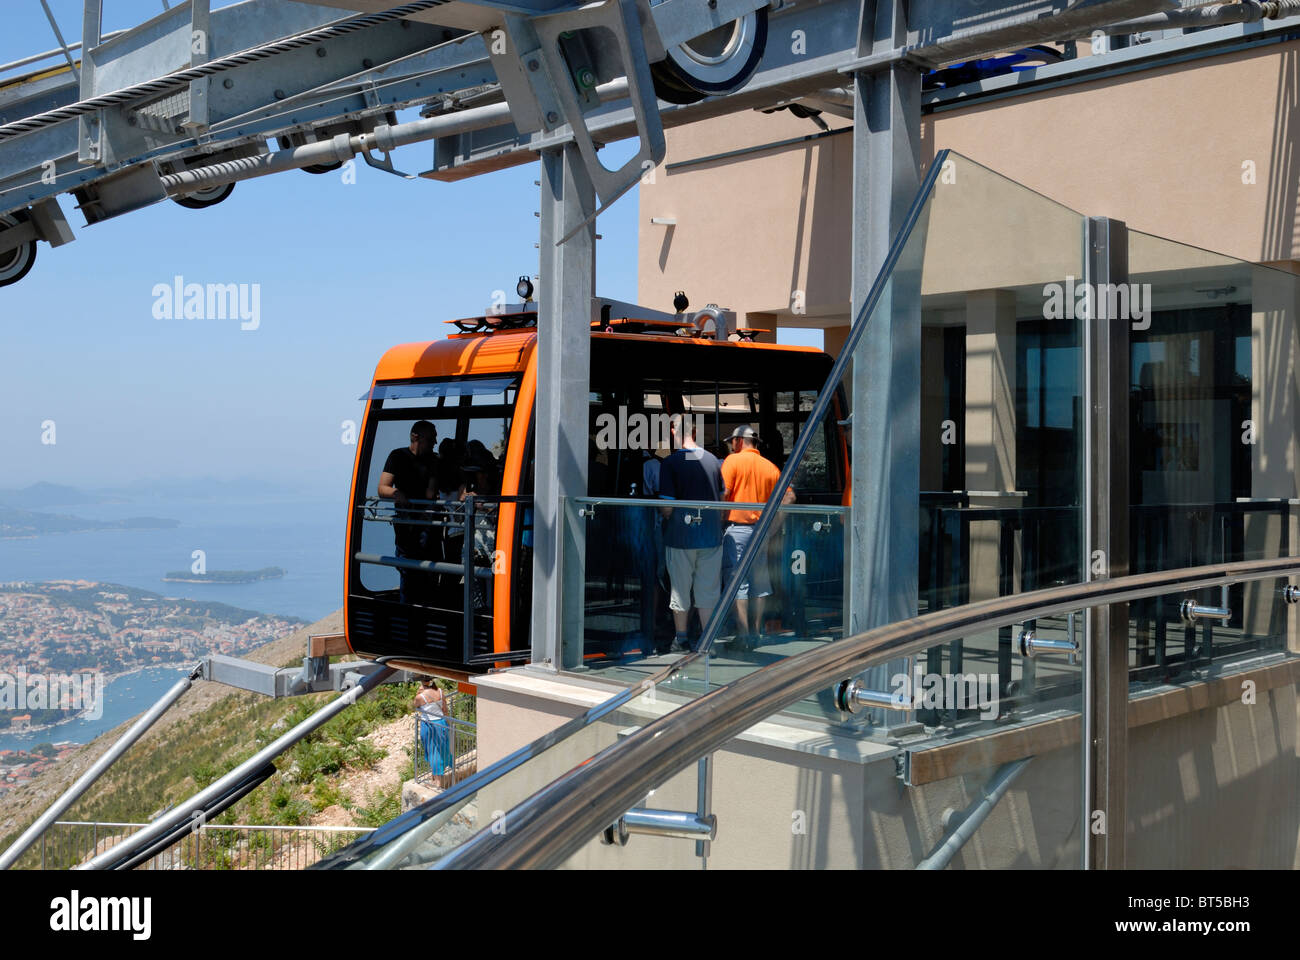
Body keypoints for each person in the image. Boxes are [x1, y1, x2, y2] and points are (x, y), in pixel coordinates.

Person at [720, 425, 795, 649]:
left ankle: (743, 635)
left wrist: (720, 520)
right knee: (759, 583)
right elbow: (790, 497)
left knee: (737, 582)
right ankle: (755, 632)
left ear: (739, 441)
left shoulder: (732, 462)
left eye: (732, 441)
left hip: (738, 529)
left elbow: (723, 494)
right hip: (761, 531)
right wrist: (772, 528)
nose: (731, 445)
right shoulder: (770, 467)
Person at [659, 414, 726, 653]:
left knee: (680, 589)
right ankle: (708, 641)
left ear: (673, 432)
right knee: (708, 591)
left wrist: (667, 516)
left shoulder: (670, 463)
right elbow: (723, 500)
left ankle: (681, 639)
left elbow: (667, 507)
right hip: (711, 536)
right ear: (694, 432)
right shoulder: (713, 461)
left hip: (680, 537)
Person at [378, 421, 439, 603]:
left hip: (427, 525)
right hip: (407, 527)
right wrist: (397, 493)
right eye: (431, 439)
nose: (434, 442)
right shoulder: (398, 456)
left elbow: (430, 493)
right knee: (409, 571)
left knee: (428, 571)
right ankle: (409, 613)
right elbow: (382, 488)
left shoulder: (433, 461)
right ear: (415, 437)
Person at [414, 678, 452, 787]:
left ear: (421, 682)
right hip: (442, 723)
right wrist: (448, 724)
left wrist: (418, 692)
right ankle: (435, 776)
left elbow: (414, 705)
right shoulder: (440, 691)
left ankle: (438, 782)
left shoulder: (420, 697)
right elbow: (445, 709)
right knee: (441, 750)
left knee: (433, 752)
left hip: (429, 725)